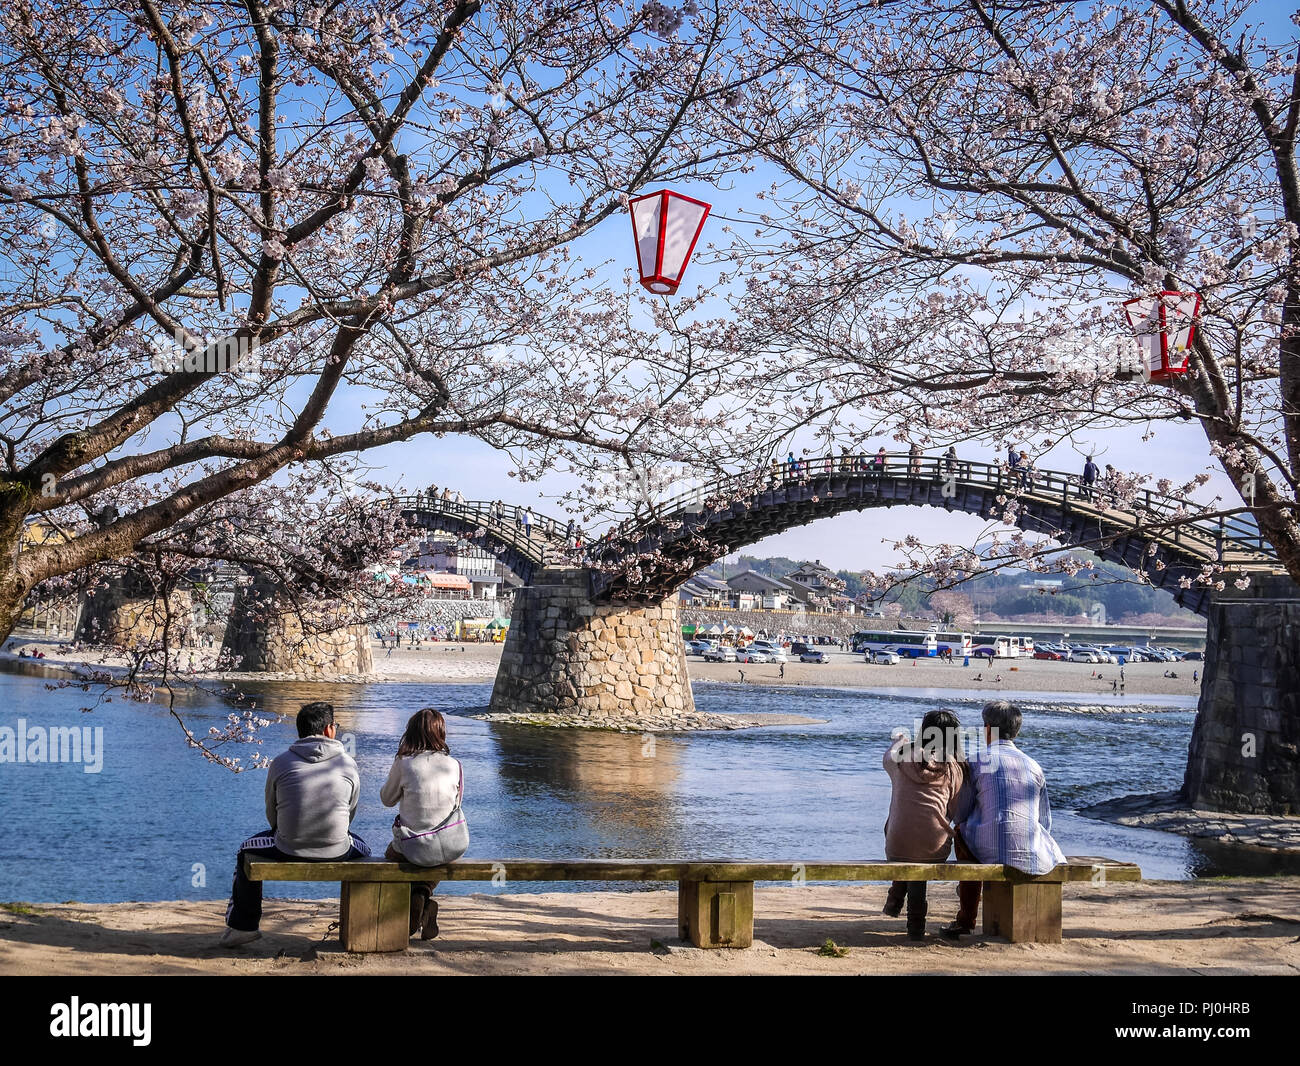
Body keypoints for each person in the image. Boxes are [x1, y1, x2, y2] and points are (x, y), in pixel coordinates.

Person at [222, 701, 368, 946]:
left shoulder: (281, 762)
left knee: (243, 850)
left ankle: (243, 926)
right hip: (337, 849)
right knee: (368, 851)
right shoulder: (348, 764)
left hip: (288, 847)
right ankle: (363, 925)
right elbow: (350, 812)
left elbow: (272, 813)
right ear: (329, 730)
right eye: (336, 725)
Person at [943, 700, 1066, 939]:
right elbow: (1044, 820)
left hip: (988, 853)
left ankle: (966, 919)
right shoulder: (1033, 766)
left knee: (960, 831)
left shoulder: (977, 761)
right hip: (1030, 851)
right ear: (1016, 731)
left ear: (988, 729)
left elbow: (961, 813)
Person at [380, 708, 469, 940]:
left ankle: (417, 899)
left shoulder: (404, 763)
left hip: (413, 847)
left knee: (393, 854)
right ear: (441, 733)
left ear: (411, 733)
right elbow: (456, 805)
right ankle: (424, 896)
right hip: (449, 846)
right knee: (436, 854)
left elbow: (386, 800)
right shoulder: (455, 765)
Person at [881, 710, 966, 941]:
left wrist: (899, 742)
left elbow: (886, 759)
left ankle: (896, 899)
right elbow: (957, 812)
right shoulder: (954, 769)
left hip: (897, 848)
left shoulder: (901, 761)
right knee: (922, 843)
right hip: (934, 849)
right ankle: (915, 926)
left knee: (897, 830)